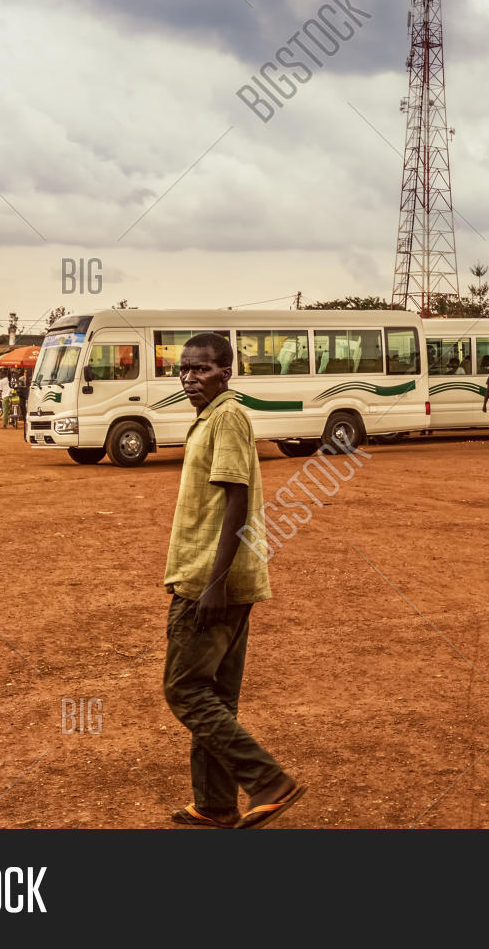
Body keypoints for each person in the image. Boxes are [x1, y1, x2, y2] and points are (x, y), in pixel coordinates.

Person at [162, 333, 305, 830]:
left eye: (201, 369)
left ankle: (267, 780)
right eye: (184, 369)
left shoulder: (225, 417)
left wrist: (214, 582)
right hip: (217, 576)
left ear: (226, 372)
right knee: (215, 695)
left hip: (208, 579)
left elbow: (237, 500)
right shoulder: (212, 418)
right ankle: (215, 804)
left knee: (184, 691)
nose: (189, 378)